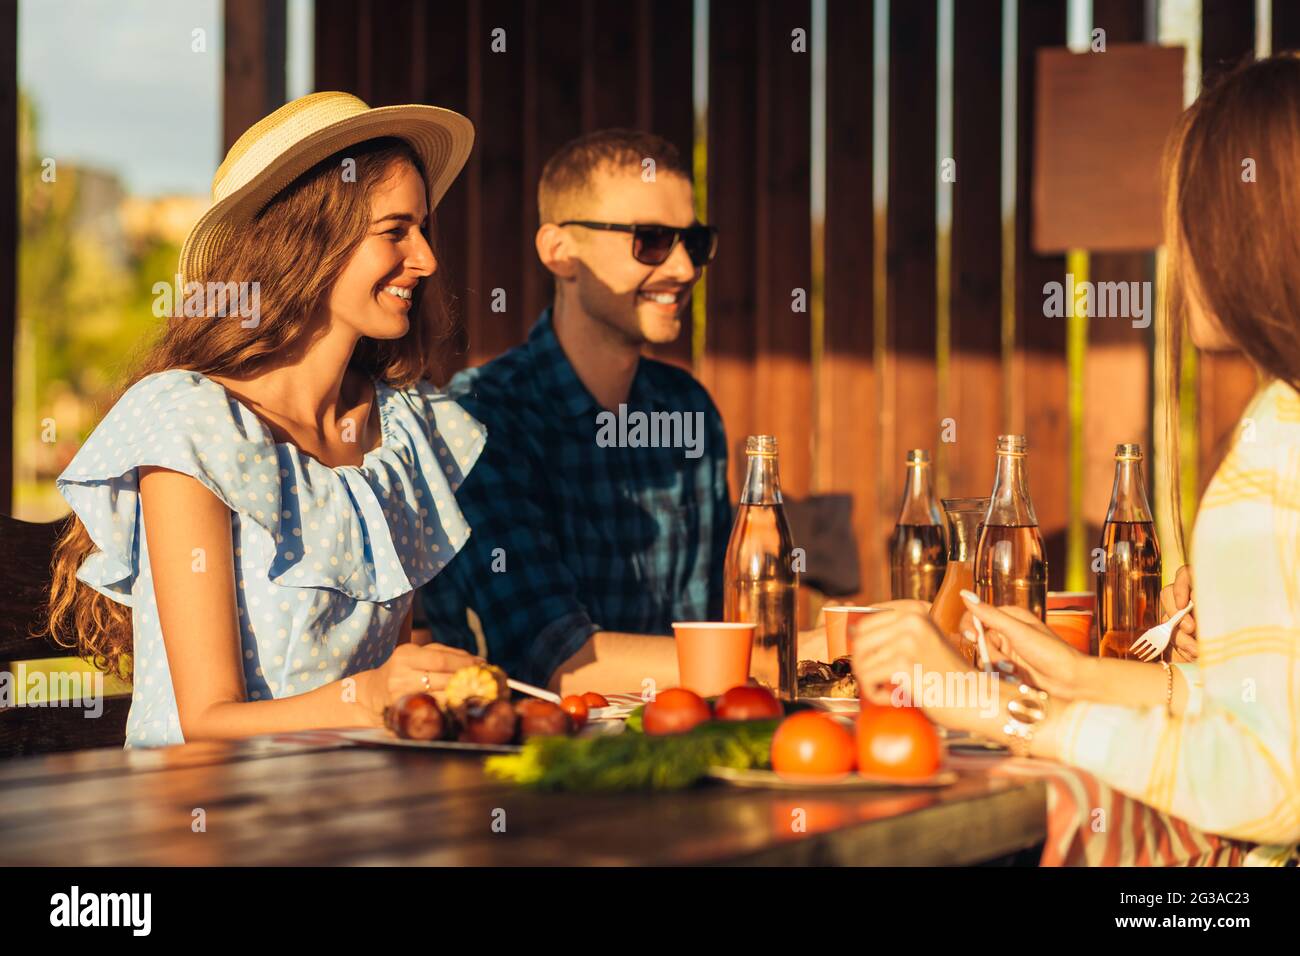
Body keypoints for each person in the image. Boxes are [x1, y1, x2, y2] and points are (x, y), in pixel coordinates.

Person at [850, 55, 1300, 859]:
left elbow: (1270, 779)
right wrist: (1080, 676)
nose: (1177, 256)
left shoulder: (1275, 455)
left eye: (1188, 220)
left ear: (1252, 231)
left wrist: (989, 708)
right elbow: (1274, 708)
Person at [46, 92, 485, 747]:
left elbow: (393, 666)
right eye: (395, 231)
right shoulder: (192, 423)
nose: (426, 259)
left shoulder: (402, 429)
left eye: (422, 229)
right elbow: (205, 721)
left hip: (359, 811)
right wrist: (368, 693)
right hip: (205, 816)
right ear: (309, 241)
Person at [419, 129, 733, 694]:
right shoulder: (477, 419)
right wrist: (780, 654)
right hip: (528, 766)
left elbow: (713, 619)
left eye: (695, 241)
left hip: (685, 750)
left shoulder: (690, 410)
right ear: (559, 252)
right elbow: (559, 659)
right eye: (653, 240)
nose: (685, 269)